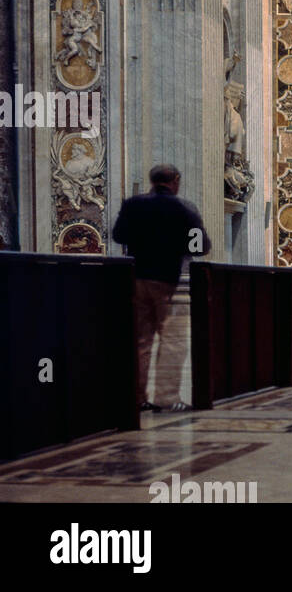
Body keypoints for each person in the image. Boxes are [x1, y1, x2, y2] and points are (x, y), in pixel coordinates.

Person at [111, 163, 211, 413]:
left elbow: (119, 236)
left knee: (141, 340)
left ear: (152, 180)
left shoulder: (132, 204)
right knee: (172, 340)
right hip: (167, 282)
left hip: (136, 277)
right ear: (175, 180)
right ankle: (166, 397)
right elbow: (200, 246)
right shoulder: (184, 208)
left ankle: (137, 397)